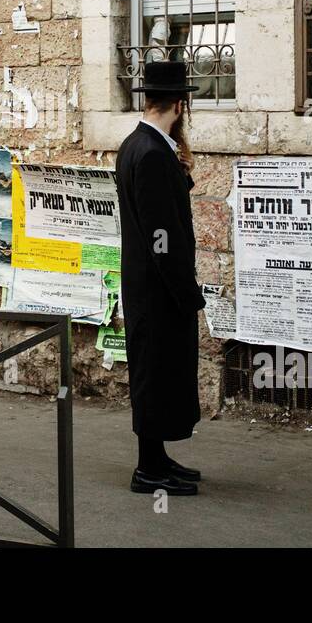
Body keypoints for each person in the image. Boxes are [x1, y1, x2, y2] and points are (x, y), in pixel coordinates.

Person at [116, 59, 206, 495]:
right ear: (181, 104)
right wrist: (185, 293)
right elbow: (161, 235)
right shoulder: (151, 153)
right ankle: (148, 470)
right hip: (157, 289)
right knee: (155, 375)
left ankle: (158, 458)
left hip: (146, 285)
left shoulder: (138, 144)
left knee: (157, 373)